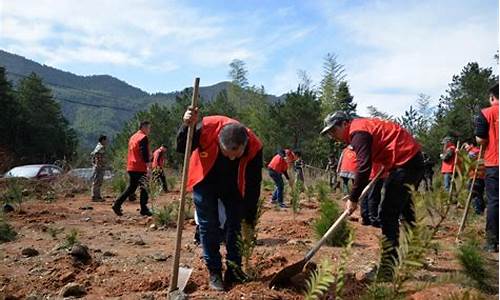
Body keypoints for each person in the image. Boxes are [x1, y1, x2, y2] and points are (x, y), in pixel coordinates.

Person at [321, 111, 423, 279]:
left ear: (344, 123)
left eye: (333, 130)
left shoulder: (358, 132)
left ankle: (387, 269)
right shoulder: (362, 127)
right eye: (329, 133)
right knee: (405, 211)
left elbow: (363, 166)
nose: (332, 136)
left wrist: (353, 198)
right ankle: (416, 252)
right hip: (409, 161)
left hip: (406, 164)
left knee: (387, 214)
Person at [178, 108, 263, 291]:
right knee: (209, 226)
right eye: (227, 153)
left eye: (237, 154)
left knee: (236, 225)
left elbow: (254, 183)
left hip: (233, 186)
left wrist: (249, 216)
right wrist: (186, 126)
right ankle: (214, 272)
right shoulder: (205, 129)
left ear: (245, 144)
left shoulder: (254, 145)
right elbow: (181, 147)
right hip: (205, 180)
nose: (232, 157)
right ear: (218, 142)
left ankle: (234, 270)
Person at [475, 83, 499, 252]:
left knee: (495, 202)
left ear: (492, 97)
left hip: (494, 163)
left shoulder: (486, 113)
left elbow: (481, 139)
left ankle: (492, 242)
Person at [112, 121, 153, 217]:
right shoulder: (143, 137)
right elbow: (144, 152)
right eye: (148, 128)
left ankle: (117, 204)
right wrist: (148, 165)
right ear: (143, 127)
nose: (149, 130)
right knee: (144, 187)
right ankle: (144, 209)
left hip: (131, 166)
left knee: (132, 188)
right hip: (139, 167)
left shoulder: (133, 137)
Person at [360, 162, 387, 227]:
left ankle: (366, 218)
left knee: (365, 196)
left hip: (366, 173)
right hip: (376, 174)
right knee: (374, 197)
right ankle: (373, 219)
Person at [463, 142, 486, 215]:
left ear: (471, 145)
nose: (465, 148)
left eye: (466, 146)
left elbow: (469, 160)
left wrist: (460, 154)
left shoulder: (473, 152)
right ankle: (481, 210)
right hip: (481, 176)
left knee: (474, 193)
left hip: (476, 176)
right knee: (479, 194)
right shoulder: (479, 151)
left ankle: (478, 211)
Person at [90, 135, 107, 202]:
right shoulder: (100, 147)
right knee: (97, 181)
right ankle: (94, 196)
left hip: (100, 166)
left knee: (99, 181)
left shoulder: (100, 146)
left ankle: (98, 196)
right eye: (105, 140)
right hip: (99, 167)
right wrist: (96, 163)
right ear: (103, 140)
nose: (106, 141)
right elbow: (94, 154)